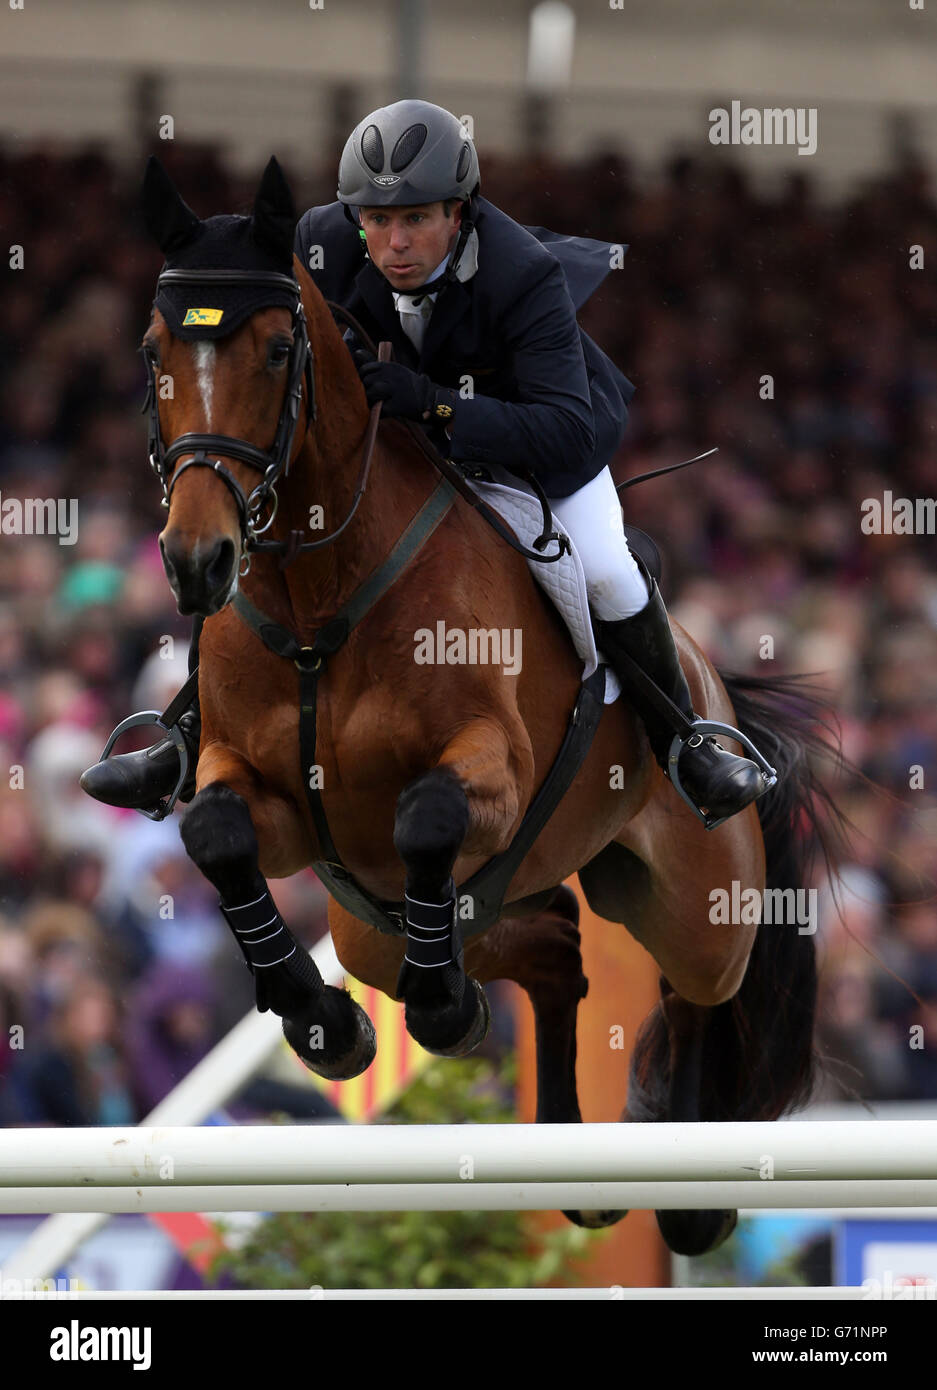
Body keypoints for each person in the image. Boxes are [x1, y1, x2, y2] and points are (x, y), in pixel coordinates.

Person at [81, 100, 768, 826]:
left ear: (460, 211)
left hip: (534, 449)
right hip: (399, 451)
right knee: (253, 532)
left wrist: (433, 402)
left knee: (601, 565)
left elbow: (562, 430)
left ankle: (686, 745)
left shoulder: (522, 273)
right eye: (376, 220)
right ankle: (186, 735)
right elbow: (236, 295)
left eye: (416, 219)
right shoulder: (319, 242)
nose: (394, 242)